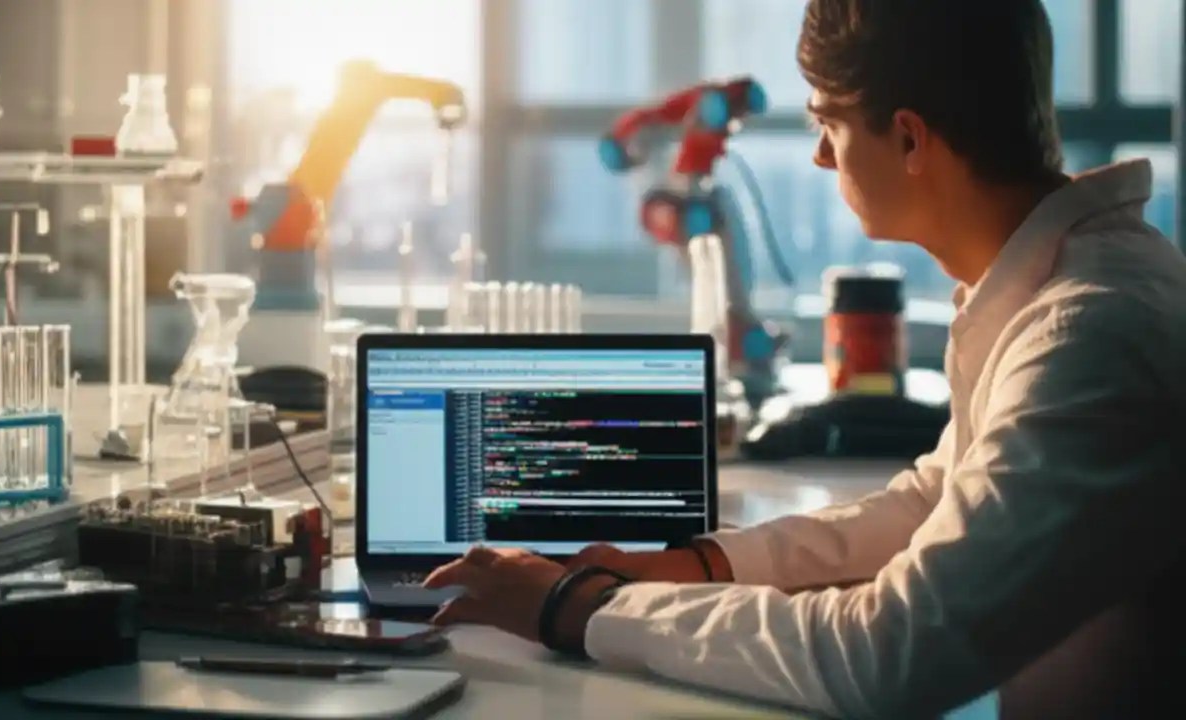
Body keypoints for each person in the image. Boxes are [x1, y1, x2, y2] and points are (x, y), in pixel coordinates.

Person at [424, 0, 1186, 717]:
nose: (821, 157)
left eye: (830, 123)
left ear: (912, 138)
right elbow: (936, 504)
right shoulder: (1061, 290)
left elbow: (885, 656)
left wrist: (574, 607)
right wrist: (693, 567)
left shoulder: (1089, 334)